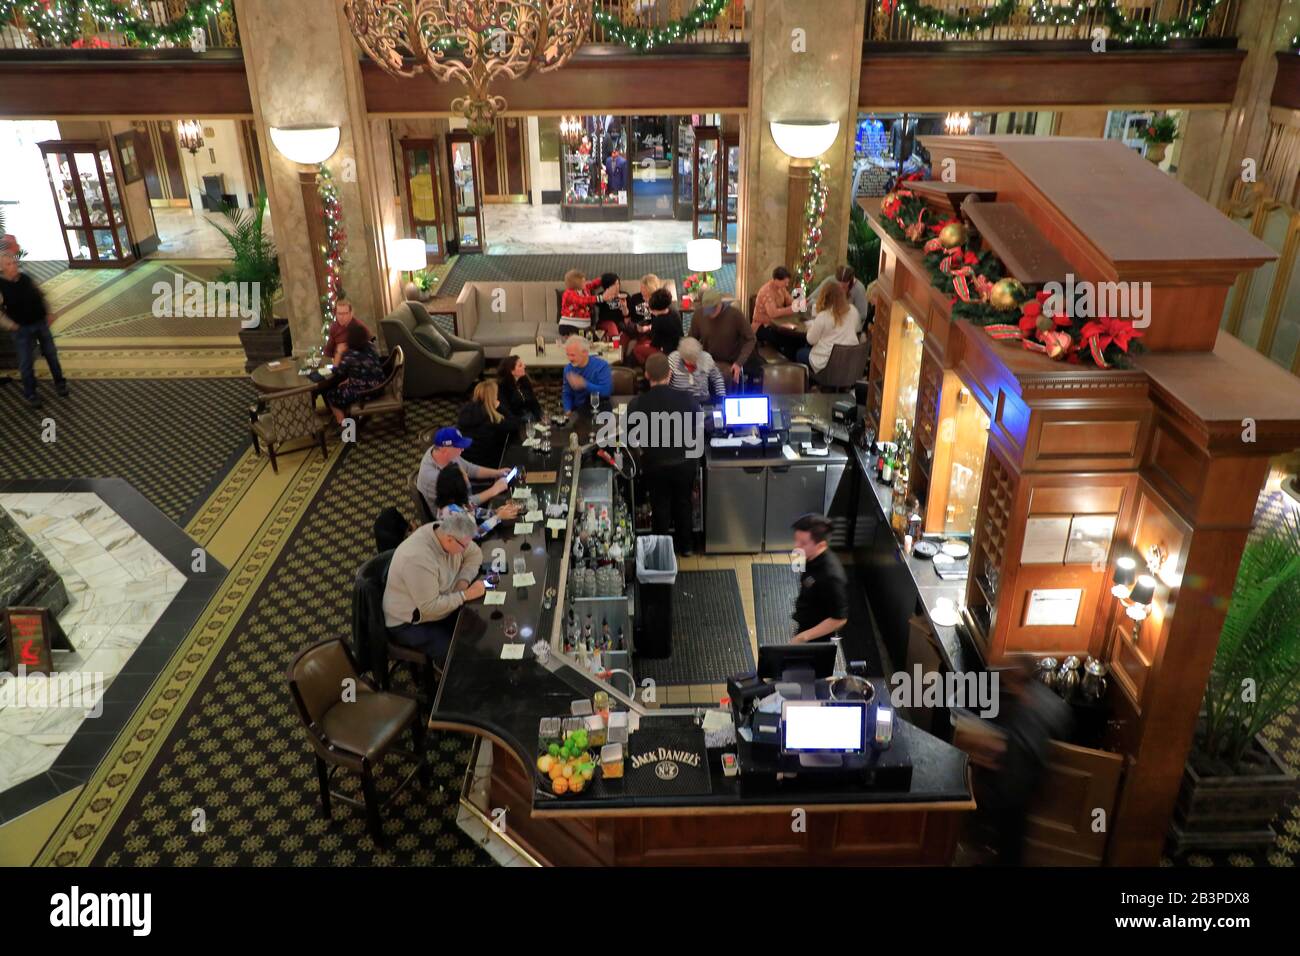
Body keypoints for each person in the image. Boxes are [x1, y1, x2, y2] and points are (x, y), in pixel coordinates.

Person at [966, 656, 1073, 866]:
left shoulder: (1020, 709)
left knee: (1008, 831)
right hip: (1029, 781)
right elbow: (1064, 723)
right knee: (1014, 832)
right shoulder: (1049, 702)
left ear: (1015, 679)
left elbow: (1013, 749)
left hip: (1013, 782)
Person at [382, 509, 484, 666]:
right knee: (456, 657)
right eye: (464, 545)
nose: (467, 548)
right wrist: (464, 595)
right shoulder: (417, 559)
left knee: (480, 628)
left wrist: (462, 583)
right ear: (450, 540)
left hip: (440, 601)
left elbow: (475, 554)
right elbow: (430, 607)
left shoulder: (444, 531)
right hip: (410, 622)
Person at [628, 353, 701, 555]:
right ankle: (686, 547)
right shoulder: (687, 398)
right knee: (683, 503)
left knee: (660, 506)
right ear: (670, 374)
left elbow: (630, 437)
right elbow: (700, 426)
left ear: (646, 375)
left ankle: (661, 551)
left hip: (654, 464)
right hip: (684, 463)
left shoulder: (637, 404)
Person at [1, 242, 69, 408]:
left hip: (40, 323)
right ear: (2, 268)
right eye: (9, 264)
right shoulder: (1, 286)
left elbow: (40, 294)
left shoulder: (26, 278)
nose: (14, 266)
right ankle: (31, 393)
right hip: (21, 329)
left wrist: (48, 312)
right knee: (26, 362)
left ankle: (60, 383)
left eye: (14, 262)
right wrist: (10, 325)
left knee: (51, 354)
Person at [415, 427, 512, 519]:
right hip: (455, 523)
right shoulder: (435, 478)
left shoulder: (440, 451)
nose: (463, 449)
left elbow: (469, 469)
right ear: (445, 450)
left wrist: (497, 473)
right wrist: (494, 491)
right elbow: (463, 508)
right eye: (459, 447)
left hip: (465, 506)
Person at [789, 513, 849, 644]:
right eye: (796, 540)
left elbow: (839, 619)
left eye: (803, 543)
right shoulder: (810, 556)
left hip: (817, 638)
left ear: (821, 545)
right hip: (805, 622)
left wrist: (803, 637)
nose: (796, 547)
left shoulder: (831, 576)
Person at [687, 287, 756, 392]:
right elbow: (691, 340)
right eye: (707, 309)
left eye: (713, 308)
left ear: (720, 303)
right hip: (707, 359)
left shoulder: (734, 315)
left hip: (729, 361)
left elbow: (751, 339)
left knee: (723, 377)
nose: (710, 313)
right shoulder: (699, 315)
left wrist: (739, 362)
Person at [323, 319, 385, 425]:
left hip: (364, 393)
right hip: (379, 387)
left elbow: (337, 372)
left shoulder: (350, 355)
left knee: (331, 395)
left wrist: (339, 352)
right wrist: (350, 380)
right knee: (343, 386)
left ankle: (343, 424)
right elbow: (364, 369)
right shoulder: (371, 347)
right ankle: (356, 417)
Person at [797, 280, 861, 375]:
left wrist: (811, 328)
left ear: (824, 296)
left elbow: (811, 340)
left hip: (827, 364)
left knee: (800, 353)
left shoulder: (823, 316)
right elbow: (856, 329)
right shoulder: (853, 310)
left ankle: (809, 384)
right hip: (848, 361)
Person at [433, 454, 519, 524]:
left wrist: (495, 512)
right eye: (465, 475)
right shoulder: (451, 513)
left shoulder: (457, 499)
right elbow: (475, 533)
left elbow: (474, 511)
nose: (467, 476)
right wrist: (497, 518)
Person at [457, 379, 521, 468]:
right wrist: (499, 407)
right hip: (485, 464)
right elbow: (515, 424)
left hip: (463, 460)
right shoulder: (492, 418)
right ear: (493, 396)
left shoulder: (465, 410)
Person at [752, 265, 804, 362]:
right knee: (789, 340)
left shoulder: (781, 288)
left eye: (787, 282)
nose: (787, 285)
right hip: (762, 326)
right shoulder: (766, 291)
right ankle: (789, 366)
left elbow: (789, 300)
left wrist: (799, 302)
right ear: (776, 279)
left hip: (777, 324)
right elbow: (773, 313)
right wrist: (791, 309)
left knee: (797, 340)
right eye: (785, 282)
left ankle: (795, 365)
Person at [630, 287, 681, 367]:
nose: (652, 312)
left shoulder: (659, 321)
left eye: (653, 310)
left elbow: (655, 343)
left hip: (666, 352)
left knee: (637, 349)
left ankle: (649, 370)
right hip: (677, 346)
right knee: (642, 342)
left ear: (657, 309)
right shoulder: (673, 311)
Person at [812, 265, 871, 333]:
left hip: (850, 328)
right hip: (831, 323)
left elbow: (863, 315)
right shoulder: (831, 280)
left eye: (844, 286)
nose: (841, 286)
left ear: (851, 280)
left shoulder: (859, 289)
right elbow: (814, 297)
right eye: (839, 283)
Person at [561, 336, 612, 416]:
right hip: (579, 410)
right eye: (568, 355)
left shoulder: (601, 366)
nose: (569, 358)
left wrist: (584, 384)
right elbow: (567, 393)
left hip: (600, 408)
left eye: (573, 355)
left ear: (585, 353)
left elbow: (606, 391)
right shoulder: (568, 369)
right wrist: (567, 410)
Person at [667, 336, 726, 403]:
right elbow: (665, 381)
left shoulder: (706, 358)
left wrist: (722, 399)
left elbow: (717, 378)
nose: (692, 362)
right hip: (678, 400)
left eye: (694, 359)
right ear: (681, 355)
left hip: (702, 399)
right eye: (688, 360)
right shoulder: (673, 358)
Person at [496, 354, 543, 422]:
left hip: (528, 412)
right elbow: (507, 412)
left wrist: (538, 415)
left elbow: (533, 399)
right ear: (512, 371)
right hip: (516, 418)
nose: (524, 366)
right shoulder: (502, 387)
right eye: (520, 365)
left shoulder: (524, 379)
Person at [560, 269, 605, 337]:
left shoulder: (584, 289)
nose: (585, 283)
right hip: (569, 326)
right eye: (583, 281)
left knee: (596, 338)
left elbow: (592, 284)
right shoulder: (568, 293)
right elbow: (581, 300)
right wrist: (601, 298)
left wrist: (604, 278)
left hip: (585, 326)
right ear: (576, 283)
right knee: (588, 337)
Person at [324, 297, 362, 361]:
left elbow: (369, 345)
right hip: (339, 362)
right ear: (335, 314)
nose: (342, 317)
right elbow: (329, 351)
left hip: (356, 362)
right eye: (339, 313)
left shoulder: (358, 326)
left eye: (345, 313)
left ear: (350, 313)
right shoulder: (334, 327)